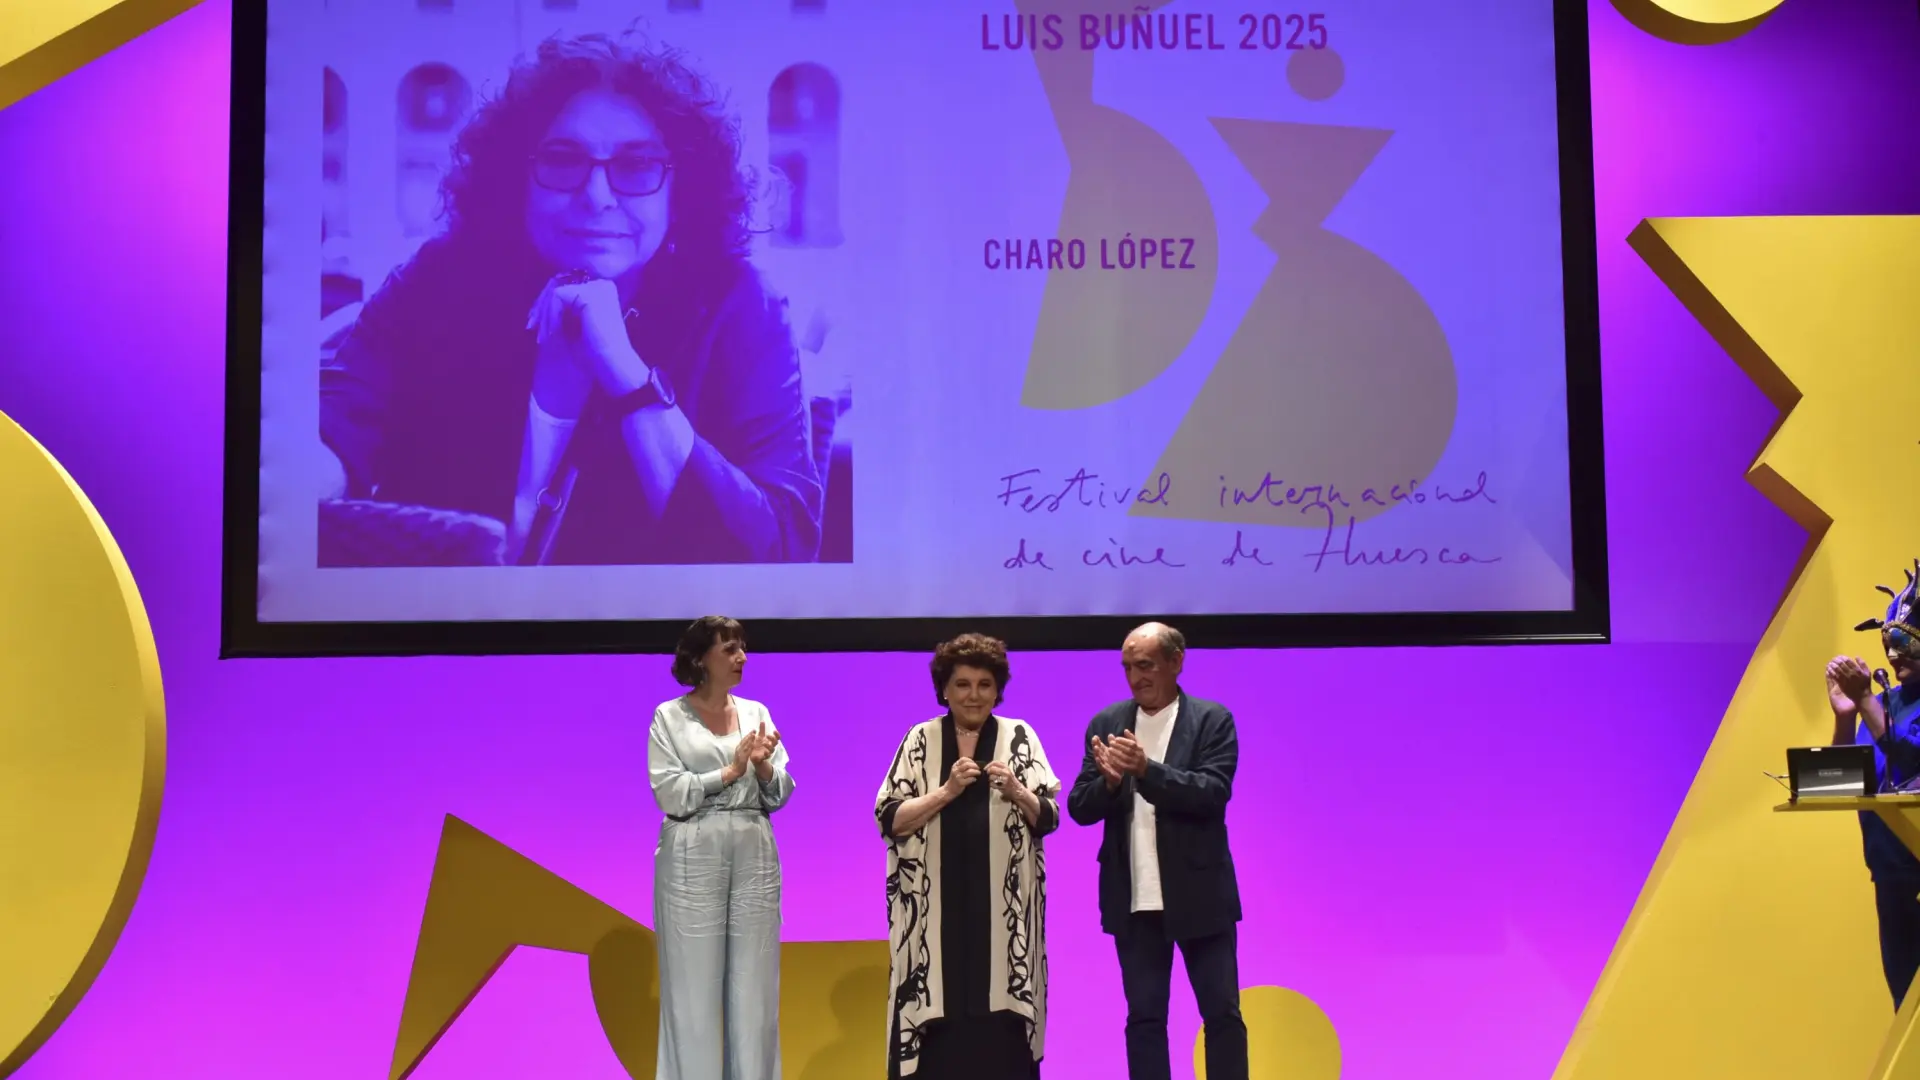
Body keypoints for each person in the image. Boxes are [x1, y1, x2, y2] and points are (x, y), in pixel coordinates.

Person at [320, 31, 822, 566]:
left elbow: (782, 555)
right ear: (517, 179)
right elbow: (331, 435)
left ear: (683, 192)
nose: (597, 196)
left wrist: (630, 380)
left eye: (637, 165)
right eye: (562, 159)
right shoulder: (437, 282)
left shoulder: (740, 307)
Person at [876, 633, 1062, 1079]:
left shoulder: (1019, 736)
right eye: (962, 684)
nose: (973, 694)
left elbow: (1049, 817)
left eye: (984, 684)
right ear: (944, 689)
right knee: (938, 1012)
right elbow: (891, 818)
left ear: (998, 690)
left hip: (1005, 919)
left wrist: (1017, 790)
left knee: (1002, 1025)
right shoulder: (920, 739)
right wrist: (946, 791)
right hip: (932, 918)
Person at [1068, 623, 1247, 1080]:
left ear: (1176, 661)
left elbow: (1212, 792)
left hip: (1201, 896)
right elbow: (1079, 807)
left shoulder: (1211, 720)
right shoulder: (1107, 723)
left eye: (1145, 665)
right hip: (1133, 900)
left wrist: (1148, 771)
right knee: (1145, 1021)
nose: (1135, 677)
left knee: (1222, 1016)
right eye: (1128, 667)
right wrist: (1110, 783)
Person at [648, 615, 794, 1079]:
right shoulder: (668, 717)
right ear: (700, 659)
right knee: (693, 992)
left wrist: (764, 768)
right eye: (729, 648)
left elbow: (781, 791)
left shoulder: (757, 713)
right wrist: (727, 773)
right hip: (693, 850)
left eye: (742, 647)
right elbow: (669, 792)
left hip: (753, 847)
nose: (741, 657)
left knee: (753, 992)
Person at [1829, 560, 1920, 1008]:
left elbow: (1909, 754)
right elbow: (1843, 780)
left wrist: (1865, 699)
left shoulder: (1876, 703)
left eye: (1902, 641)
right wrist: (1846, 719)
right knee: (1907, 1007)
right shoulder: (1881, 702)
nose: (1892, 654)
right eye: (1887, 643)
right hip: (1888, 872)